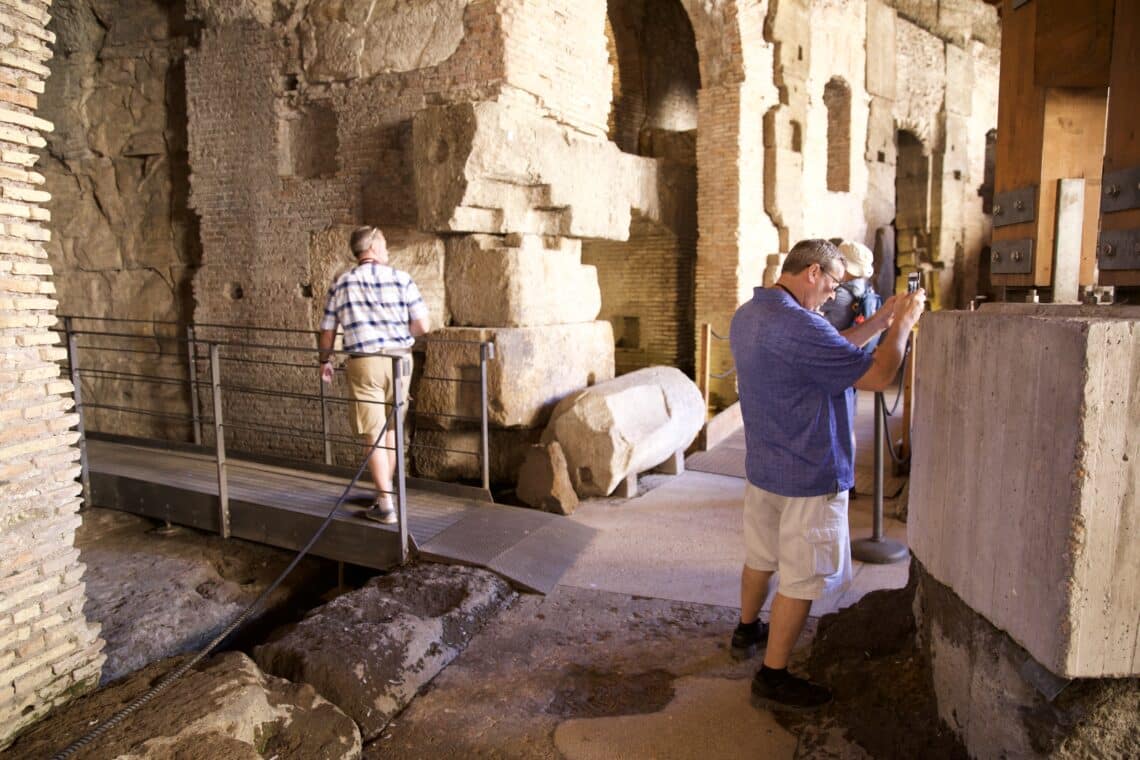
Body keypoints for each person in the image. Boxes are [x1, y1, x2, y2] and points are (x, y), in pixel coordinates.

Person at [728, 238, 925, 711]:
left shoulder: (751, 314)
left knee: (761, 555)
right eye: (834, 285)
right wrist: (902, 325)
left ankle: (746, 628)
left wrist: (877, 322)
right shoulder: (800, 325)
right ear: (812, 272)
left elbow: (829, 351)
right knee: (800, 578)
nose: (834, 296)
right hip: (808, 471)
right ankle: (773, 677)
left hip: (765, 466)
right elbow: (878, 376)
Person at [318, 226, 430, 524]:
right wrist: (400, 337)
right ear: (373, 248)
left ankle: (386, 504)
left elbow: (328, 330)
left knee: (373, 432)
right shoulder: (401, 278)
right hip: (400, 362)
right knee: (392, 430)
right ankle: (386, 494)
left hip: (364, 362)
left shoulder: (341, 283)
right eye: (384, 245)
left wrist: (324, 360)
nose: (387, 251)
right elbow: (422, 325)